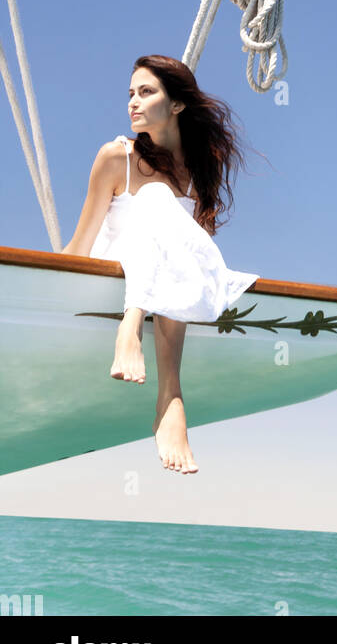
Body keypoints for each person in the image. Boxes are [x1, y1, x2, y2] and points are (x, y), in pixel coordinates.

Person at [62, 55, 261, 474]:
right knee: (154, 197)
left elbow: (184, 247)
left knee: (163, 207)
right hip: (112, 270)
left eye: (146, 92)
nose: (133, 102)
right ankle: (166, 387)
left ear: (177, 105)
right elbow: (81, 245)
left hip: (162, 281)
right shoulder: (117, 156)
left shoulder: (198, 173)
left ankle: (159, 380)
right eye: (130, 93)